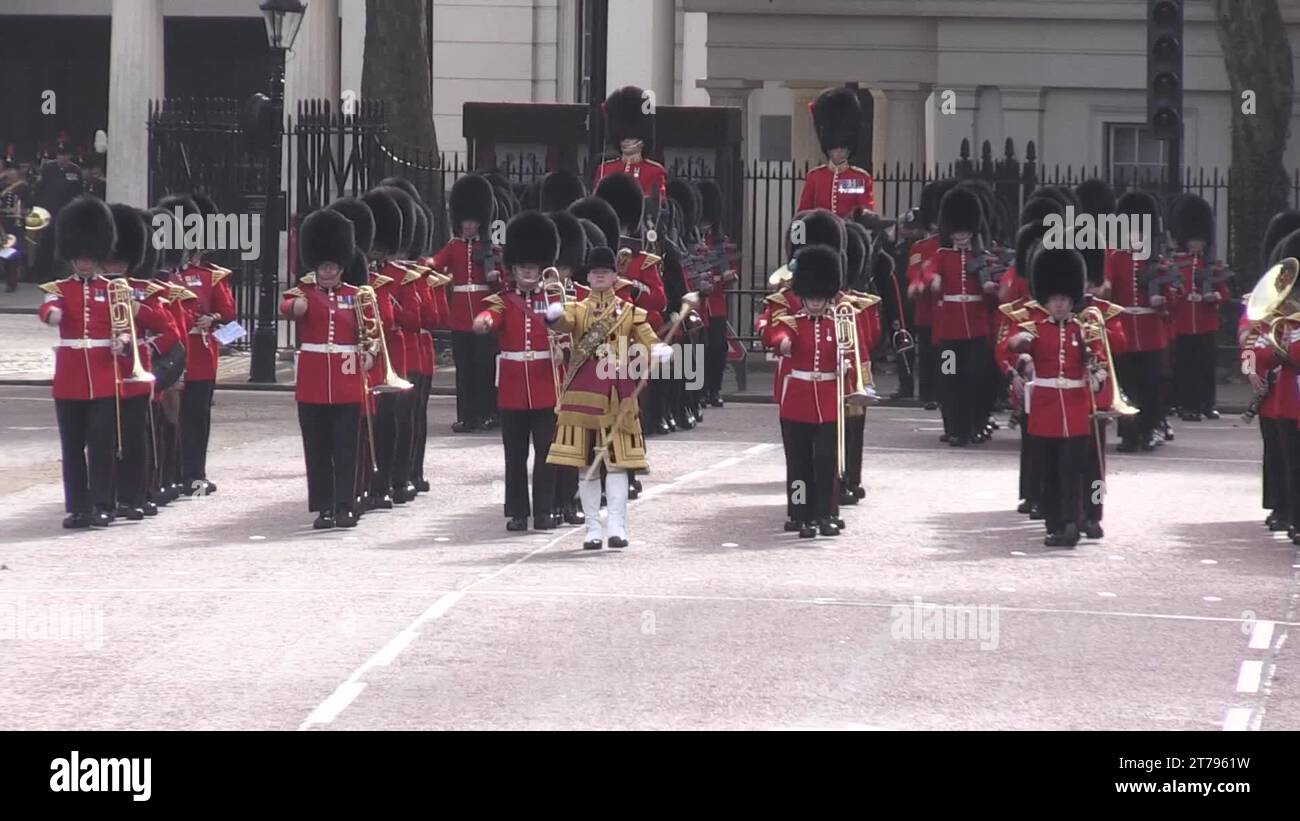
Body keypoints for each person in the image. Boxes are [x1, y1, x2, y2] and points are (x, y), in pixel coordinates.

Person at [544, 245, 669, 550]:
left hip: (617, 395)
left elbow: (647, 339)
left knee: (616, 464)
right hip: (583, 395)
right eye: (595, 272)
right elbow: (563, 323)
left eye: (605, 272)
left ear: (615, 277)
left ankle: (616, 525)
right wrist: (554, 316)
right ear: (589, 277)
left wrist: (658, 350)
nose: (600, 276)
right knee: (586, 464)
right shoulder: (577, 309)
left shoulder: (631, 313)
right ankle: (591, 529)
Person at [1007, 248, 1109, 548]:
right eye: (1055, 300)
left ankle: (1072, 522)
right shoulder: (1036, 330)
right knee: (1050, 471)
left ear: (1071, 301)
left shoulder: (1083, 330)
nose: (1060, 304)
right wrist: (1020, 346)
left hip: (1075, 409)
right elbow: (1015, 347)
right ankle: (1055, 523)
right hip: (1046, 410)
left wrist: (1097, 375)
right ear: (1047, 302)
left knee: (1072, 470)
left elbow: (1099, 361)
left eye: (1064, 300)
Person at [475, 211, 562, 532]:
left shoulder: (554, 299)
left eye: (532, 267)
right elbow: (490, 314)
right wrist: (483, 321)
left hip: (544, 385)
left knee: (545, 452)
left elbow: (568, 328)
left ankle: (544, 510)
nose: (527, 272)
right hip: (513, 388)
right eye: (522, 267)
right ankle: (518, 512)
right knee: (514, 456)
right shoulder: (504, 300)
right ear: (513, 269)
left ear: (541, 269)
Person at [38, 196, 122, 528]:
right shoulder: (57, 288)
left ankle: (103, 503)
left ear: (98, 257)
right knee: (72, 447)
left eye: (88, 259)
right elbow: (48, 308)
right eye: (78, 259)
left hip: (103, 374)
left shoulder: (115, 290)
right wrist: (52, 314)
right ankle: (78, 507)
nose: (83, 264)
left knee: (101, 444)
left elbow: (124, 326)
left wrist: (124, 341)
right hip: (70, 378)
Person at [282, 208, 366, 529]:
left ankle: (346, 504)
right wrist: (297, 308)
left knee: (345, 448)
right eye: (322, 266)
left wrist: (370, 354)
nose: (327, 271)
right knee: (317, 449)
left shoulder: (357, 296)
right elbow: (287, 307)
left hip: (346, 383)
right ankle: (324, 507)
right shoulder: (301, 293)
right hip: (313, 384)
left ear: (342, 266)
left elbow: (372, 332)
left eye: (332, 265)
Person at [763, 244, 854, 538]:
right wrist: (782, 343)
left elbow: (848, 353)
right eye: (811, 298)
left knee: (826, 462)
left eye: (819, 298)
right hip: (798, 400)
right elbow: (776, 332)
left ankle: (826, 513)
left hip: (827, 400)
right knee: (799, 462)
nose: (815, 303)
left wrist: (845, 366)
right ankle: (800, 514)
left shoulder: (837, 323)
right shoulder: (794, 322)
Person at [104, 204, 181, 521]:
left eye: (118, 262)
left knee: (143, 437)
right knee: (105, 439)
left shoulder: (143, 291)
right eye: (108, 260)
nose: (112, 267)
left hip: (139, 371)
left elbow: (169, 331)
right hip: (105, 373)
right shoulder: (94, 289)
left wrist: (142, 323)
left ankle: (142, 491)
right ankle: (109, 494)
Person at [161, 194, 233, 496]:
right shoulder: (162, 276)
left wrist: (214, 324)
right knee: (166, 419)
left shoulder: (211, 276)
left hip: (201, 357)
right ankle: (166, 475)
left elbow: (234, 326)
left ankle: (194, 474)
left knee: (196, 420)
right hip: (169, 356)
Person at [924, 186, 998, 446]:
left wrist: (991, 289)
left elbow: (993, 294)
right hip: (949, 332)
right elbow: (930, 272)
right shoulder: (942, 255)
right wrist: (933, 280)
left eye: (965, 230)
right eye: (957, 231)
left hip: (976, 330)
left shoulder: (983, 257)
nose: (961, 235)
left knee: (975, 379)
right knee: (949, 381)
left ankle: (975, 425)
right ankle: (955, 428)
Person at [432, 174, 500, 433]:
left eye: (473, 222)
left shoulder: (490, 250)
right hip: (460, 316)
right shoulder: (454, 247)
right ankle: (467, 416)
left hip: (484, 314)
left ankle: (486, 414)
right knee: (465, 369)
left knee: (484, 367)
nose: (469, 227)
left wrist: (495, 277)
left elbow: (502, 286)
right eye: (465, 223)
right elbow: (435, 264)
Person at [1107, 191, 1172, 452]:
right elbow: (1108, 284)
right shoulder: (1114, 257)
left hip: (1150, 331)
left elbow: (1172, 295)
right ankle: (1129, 433)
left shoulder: (1156, 261)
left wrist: (1164, 300)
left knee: (1151, 383)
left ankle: (1150, 429)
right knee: (1127, 384)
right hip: (1124, 330)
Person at [1167, 193, 1230, 422]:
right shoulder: (1175, 264)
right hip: (1183, 323)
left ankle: (1207, 403)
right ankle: (1186, 404)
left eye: (1200, 240)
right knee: (1185, 367)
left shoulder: (1212, 265)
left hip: (1206, 322)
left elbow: (1224, 293)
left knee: (1206, 366)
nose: (1197, 244)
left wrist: (1215, 296)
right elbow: (1170, 293)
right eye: (1193, 240)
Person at [799, 87, 875, 218]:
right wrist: (797, 238)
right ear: (828, 149)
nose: (840, 152)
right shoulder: (815, 177)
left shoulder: (859, 178)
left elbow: (865, 212)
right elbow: (803, 212)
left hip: (850, 233)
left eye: (844, 148)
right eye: (835, 148)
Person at [594, 86, 667, 197]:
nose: (628, 141)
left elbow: (656, 204)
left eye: (634, 138)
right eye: (624, 138)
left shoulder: (655, 171)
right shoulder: (605, 170)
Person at [33, 142, 85, 279]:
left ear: (69, 156)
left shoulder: (75, 171)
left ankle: (62, 274)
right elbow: (39, 190)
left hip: (67, 214)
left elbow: (80, 194)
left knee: (63, 244)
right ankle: (43, 274)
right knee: (46, 244)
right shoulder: (48, 168)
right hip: (48, 213)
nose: (62, 158)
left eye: (65, 155)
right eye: (59, 155)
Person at [1, 160, 32, 291]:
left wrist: (22, 213)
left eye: (12, 170)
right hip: (3, 223)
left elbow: (29, 206)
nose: (10, 173)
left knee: (12, 253)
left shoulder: (23, 187)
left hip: (15, 224)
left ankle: (12, 282)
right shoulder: (2, 186)